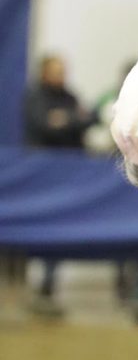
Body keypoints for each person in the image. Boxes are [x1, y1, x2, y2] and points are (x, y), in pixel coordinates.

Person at [22, 53, 98, 311]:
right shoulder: (35, 97)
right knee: (37, 230)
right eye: (57, 70)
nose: (62, 75)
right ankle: (35, 286)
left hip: (67, 177)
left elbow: (88, 120)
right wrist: (72, 120)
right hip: (41, 176)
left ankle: (48, 287)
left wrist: (65, 119)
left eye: (63, 70)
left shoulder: (69, 96)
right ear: (44, 72)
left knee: (59, 231)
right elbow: (45, 126)